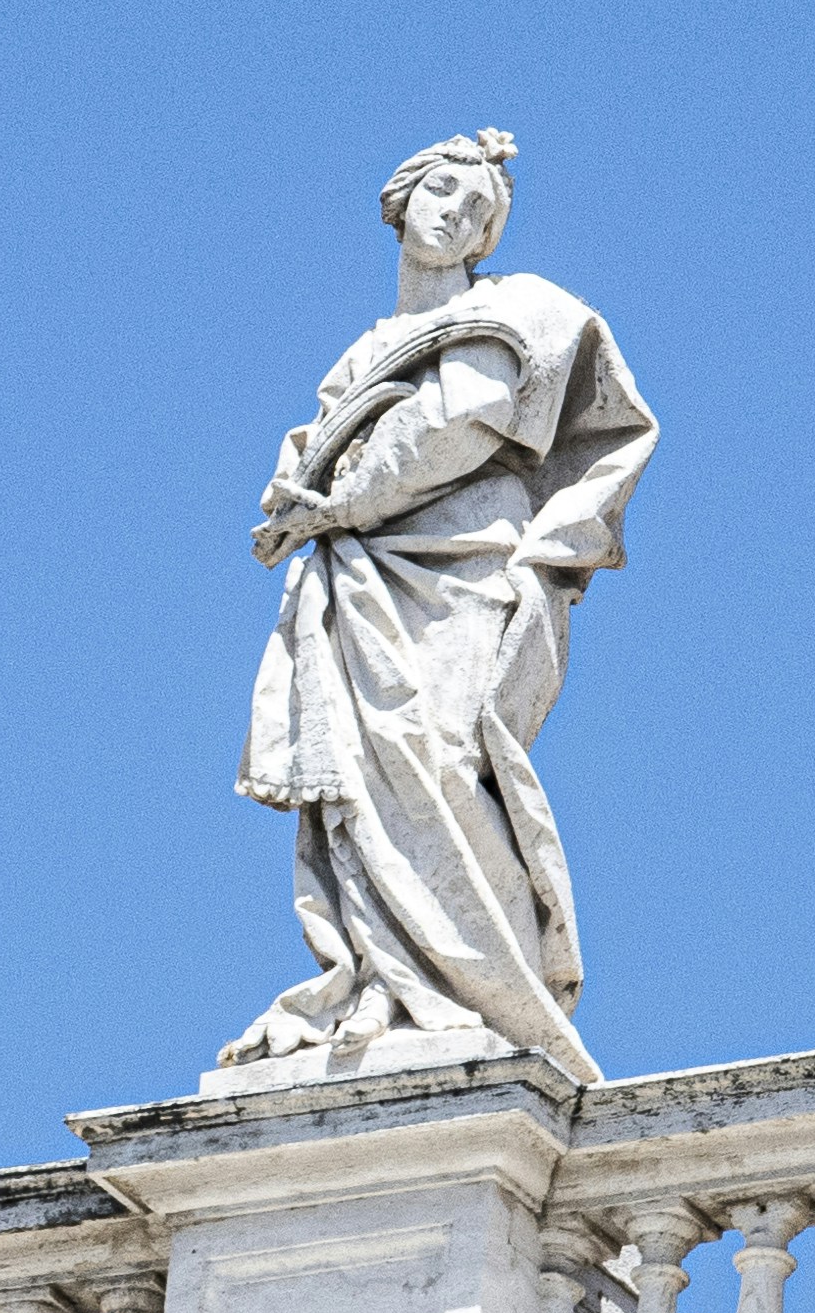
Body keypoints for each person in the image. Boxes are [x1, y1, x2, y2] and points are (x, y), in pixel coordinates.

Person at [219, 131, 658, 1088]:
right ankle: (380, 975)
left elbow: (461, 425)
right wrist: (311, 506)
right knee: (358, 778)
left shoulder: (514, 310)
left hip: (455, 561)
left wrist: (337, 506)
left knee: (445, 760)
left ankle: (492, 1002)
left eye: (480, 210)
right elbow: (314, 462)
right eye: (444, 191)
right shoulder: (360, 356)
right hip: (360, 573)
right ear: (401, 198)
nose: (457, 213)